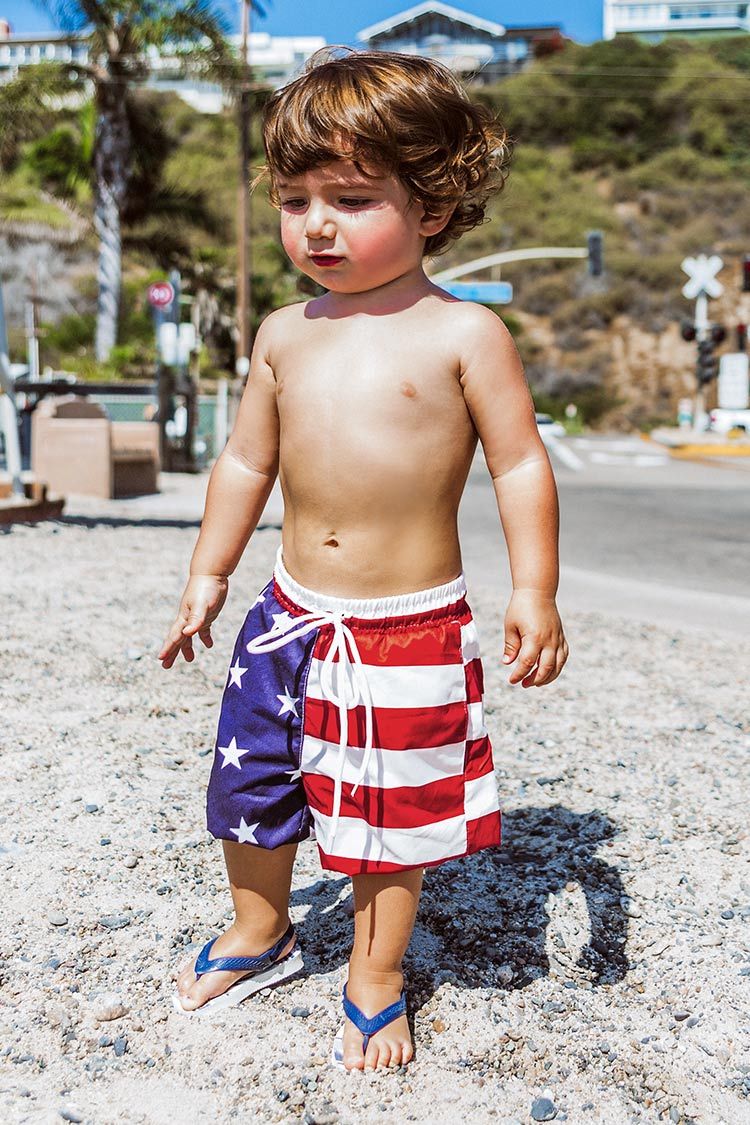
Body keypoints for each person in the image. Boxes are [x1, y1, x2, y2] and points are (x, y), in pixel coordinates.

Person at [159, 46, 568, 1072]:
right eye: (296, 200)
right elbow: (248, 457)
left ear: (432, 205)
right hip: (288, 612)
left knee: (394, 815)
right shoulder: (285, 333)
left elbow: (519, 466)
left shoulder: (464, 333)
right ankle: (263, 930)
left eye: (349, 196)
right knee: (250, 785)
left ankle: (376, 975)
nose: (317, 225)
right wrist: (209, 572)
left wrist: (535, 589)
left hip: (407, 626)